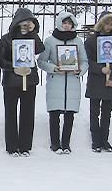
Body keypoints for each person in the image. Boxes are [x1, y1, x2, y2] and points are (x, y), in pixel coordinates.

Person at [0, 8, 45, 157]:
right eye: (23, 24)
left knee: (28, 114)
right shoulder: (7, 39)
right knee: (11, 114)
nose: (25, 27)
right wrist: (13, 68)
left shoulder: (32, 37)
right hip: (12, 82)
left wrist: (33, 33)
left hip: (29, 81)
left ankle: (25, 146)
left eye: (28, 24)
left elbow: (40, 49)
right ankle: (11, 146)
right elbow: (0, 59)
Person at [39, 11, 88, 155]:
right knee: (54, 114)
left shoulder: (77, 41)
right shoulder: (50, 41)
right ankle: (55, 143)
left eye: (69, 23)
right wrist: (53, 68)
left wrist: (80, 70)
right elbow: (41, 61)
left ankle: (66, 143)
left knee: (69, 114)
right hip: (56, 82)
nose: (66, 26)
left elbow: (84, 61)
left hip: (72, 81)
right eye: (64, 23)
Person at [84, 11, 112, 153]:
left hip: (110, 83)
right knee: (94, 112)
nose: (108, 27)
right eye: (106, 23)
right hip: (96, 81)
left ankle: (104, 140)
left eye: (111, 24)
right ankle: (95, 140)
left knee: (107, 112)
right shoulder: (90, 41)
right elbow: (86, 60)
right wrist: (100, 69)